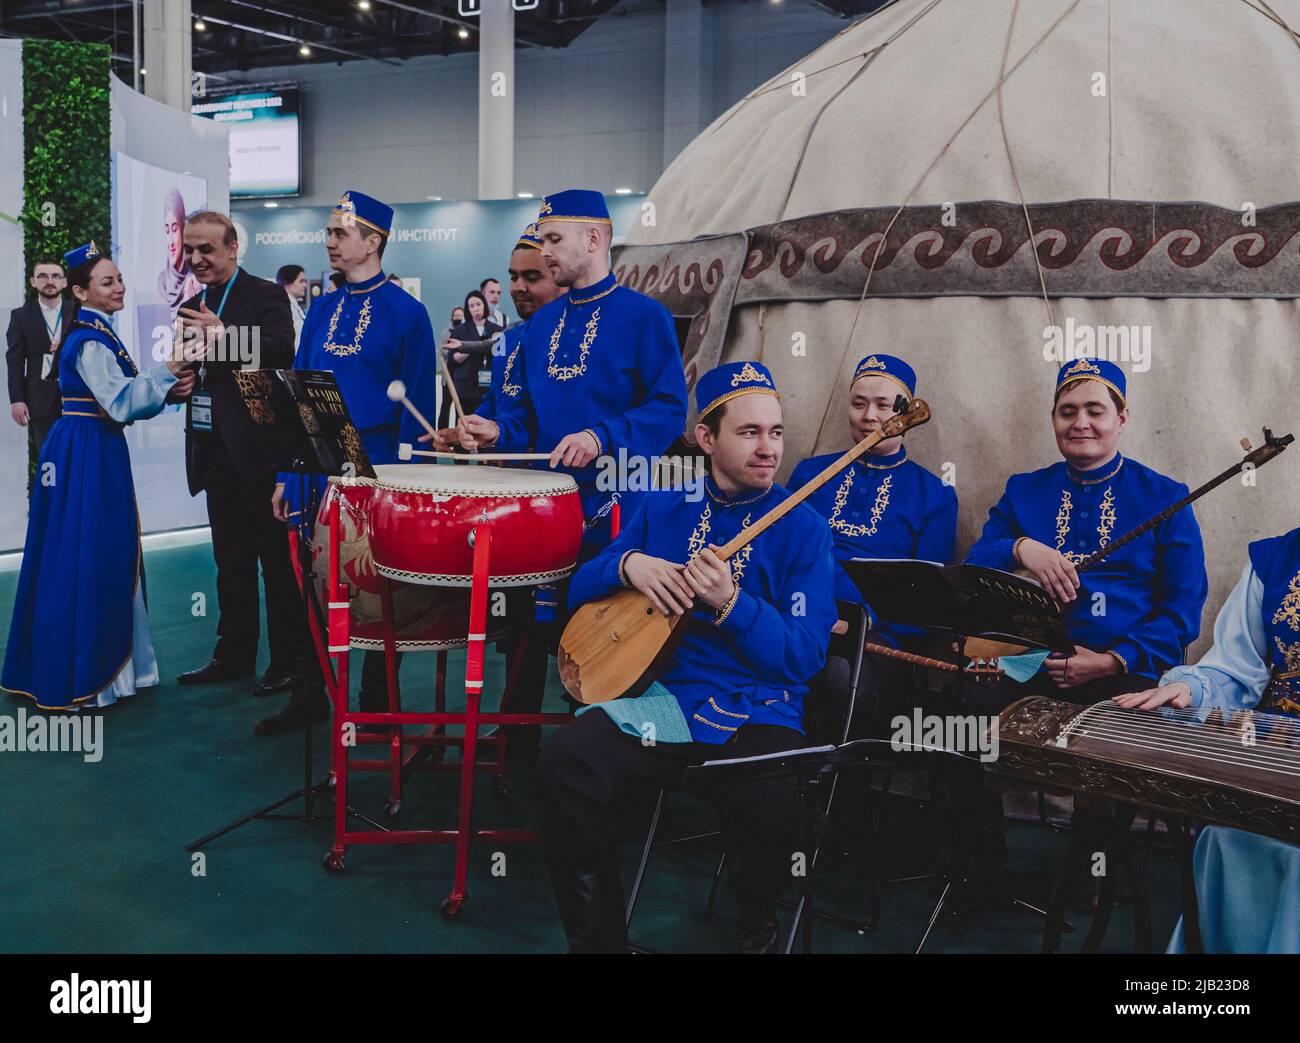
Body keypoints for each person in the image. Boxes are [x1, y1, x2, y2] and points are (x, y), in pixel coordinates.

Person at [536, 361, 836, 953]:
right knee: (564, 763)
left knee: (774, 799)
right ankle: (599, 943)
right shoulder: (664, 506)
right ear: (706, 438)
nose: (768, 449)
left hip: (758, 711)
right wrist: (627, 564)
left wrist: (731, 604)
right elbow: (580, 587)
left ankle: (757, 921)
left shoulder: (805, 529)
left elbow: (803, 658)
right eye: (748, 432)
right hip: (662, 702)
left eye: (775, 432)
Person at [957, 356, 1209, 893]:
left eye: (1096, 410)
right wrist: (1022, 546)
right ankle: (982, 864)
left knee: (1115, 728)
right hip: (1031, 657)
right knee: (963, 705)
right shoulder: (1026, 490)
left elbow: (1184, 610)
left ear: (1122, 418)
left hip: (1122, 663)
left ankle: (1089, 871)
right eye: (1067, 411)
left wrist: (1112, 659)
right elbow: (975, 564)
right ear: (1053, 419)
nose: (1081, 423)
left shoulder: (1165, 496)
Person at [262, 189, 438, 736]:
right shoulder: (321, 308)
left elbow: (419, 411)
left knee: (375, 586)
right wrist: (287, 475)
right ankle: (311, 691)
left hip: (379, 467)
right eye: (330, 233)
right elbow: (297, 393)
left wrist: (408, 483)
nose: (330, 242)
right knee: (312, 582)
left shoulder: (409, 313)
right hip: (317, 465)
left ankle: (377, 699)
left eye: (340, 233)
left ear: (373, 240)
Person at [2, 242, 202, 710]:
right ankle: (92, 671)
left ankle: (103, 666)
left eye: (119, 279)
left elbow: (124, 394)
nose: (120, 287)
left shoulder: (92, 331)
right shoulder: (90, 338)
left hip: (86, 446)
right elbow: (120, 402)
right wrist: (169, 370)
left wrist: (167, 385)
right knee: (94, 548)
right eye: (107, 282)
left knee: (86, 548)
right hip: (89, 450)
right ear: (81, 291)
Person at [458, 189, 688, 553]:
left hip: (621, 507)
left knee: (601, 609)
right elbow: (525, 417)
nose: (544, 249)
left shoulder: (645, 317)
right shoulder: (540, 324)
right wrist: (496, 431)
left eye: (554, 239)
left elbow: (670, 409)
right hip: (547, 504)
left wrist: (600, 438)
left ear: (593, 239)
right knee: (544, 608)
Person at [1117, 525, 1300, 952]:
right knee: (1227, 836)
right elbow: (1236, 669)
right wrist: (1192, 689)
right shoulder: (1278, 559)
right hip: (1279, 762)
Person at [789, 353, 957, 737]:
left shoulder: (933, 494)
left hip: (872, 636)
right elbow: (776, 550)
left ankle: (836, 792)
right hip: (796, 615)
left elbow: (924, 592)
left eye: (883, 405)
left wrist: (858, 623)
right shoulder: (811, 472)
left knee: (839, 681)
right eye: (859, 403)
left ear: (908, 413)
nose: (869, 416)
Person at [174, 212, 304, 699]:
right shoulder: (191, 304)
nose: (197, 259)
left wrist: (222, 334)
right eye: (190, 250)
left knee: (276, 562)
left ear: (233, 249)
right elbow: (193, 370)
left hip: (260, 451)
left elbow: (279, 352)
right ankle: (233, 654)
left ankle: (288, 661)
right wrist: (179, 383)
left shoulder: (265, 295)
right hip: (213, 448)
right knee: (229, 559)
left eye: (207, 249)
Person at [7, 259, 73, 454]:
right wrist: (16, 399)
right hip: (39, 400)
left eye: (55, 276)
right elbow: (15, 361)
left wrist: (66, 346)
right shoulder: (20, 316)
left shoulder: (78, 312)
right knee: (49, 457)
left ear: (65, 282)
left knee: (77, 457)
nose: (49, 281)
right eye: (42, 276)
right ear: (33, 281)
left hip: (77, 397)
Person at [440, 289, 501, 426]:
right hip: (465, 386)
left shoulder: (497, 329)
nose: (476, 309)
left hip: (488, 386)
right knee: (464, 425)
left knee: (487, 424)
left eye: (478, 304)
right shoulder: (459, 330)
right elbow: (453, 358)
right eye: (471, 306)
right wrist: (474, 348)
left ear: (484, 305)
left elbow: (500, 354)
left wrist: (473, 346)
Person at [158, 189, 201, 315]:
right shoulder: (161, 282)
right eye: (167, 231)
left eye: (175, 230)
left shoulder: (195, 282)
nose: (171, 241)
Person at [275, 264, 308, 348]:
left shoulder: (295, 306)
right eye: (301, 281)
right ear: (287, 283)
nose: (305, 285)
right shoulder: (282, 307)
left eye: (305, 282)